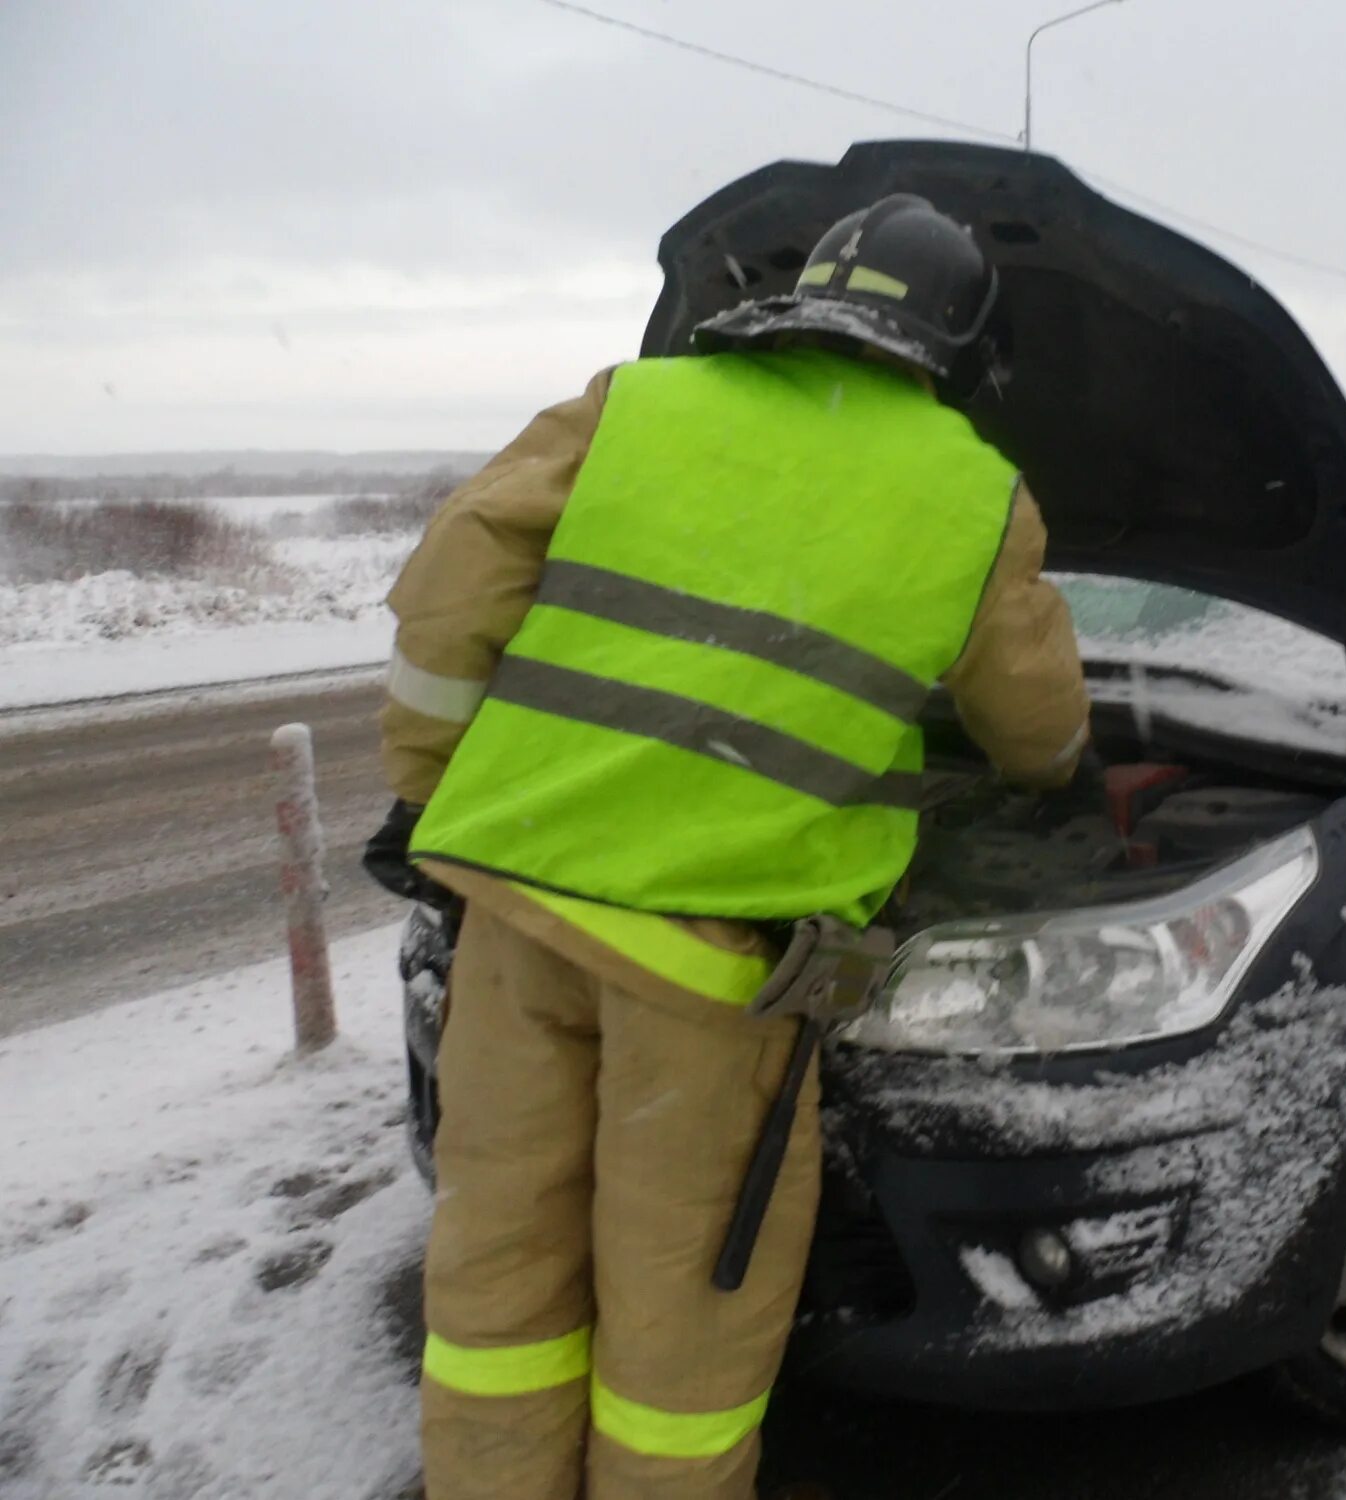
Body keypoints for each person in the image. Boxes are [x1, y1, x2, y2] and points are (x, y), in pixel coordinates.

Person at [364, 195, 1091, 1500]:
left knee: (499, 1272)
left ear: (801, 296)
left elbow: (457, 572)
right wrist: (1048, 771)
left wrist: (426, 792)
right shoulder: (973, 496)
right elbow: (1037, 733)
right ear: (960, 347)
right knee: (680, 1328)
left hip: (516, 920)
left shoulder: (636, 403)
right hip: (710, 979)